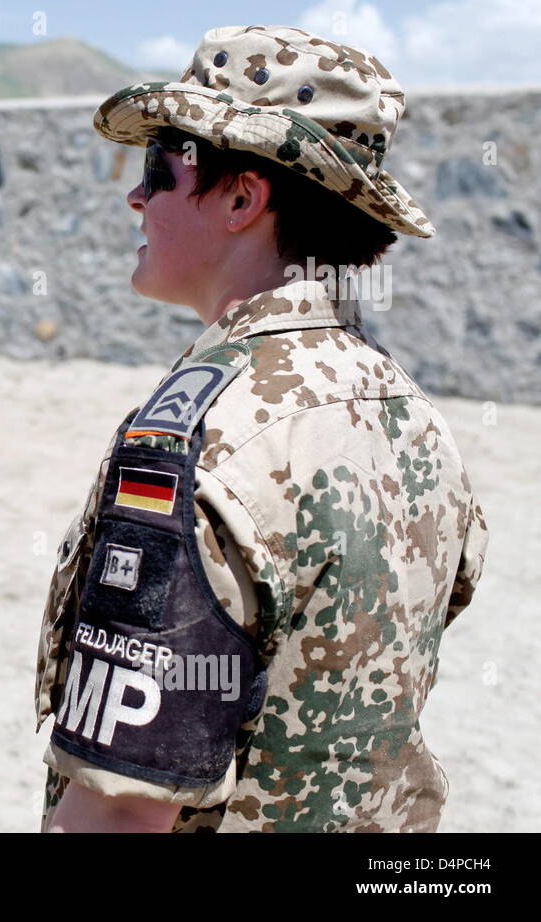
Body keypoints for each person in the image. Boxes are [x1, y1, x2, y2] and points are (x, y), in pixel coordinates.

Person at [35, 25, 489, 833]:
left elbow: (125, 808)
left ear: (243, 198)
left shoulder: (197, 439)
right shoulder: (411, 414)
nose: (137, 199)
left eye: (159, 171)